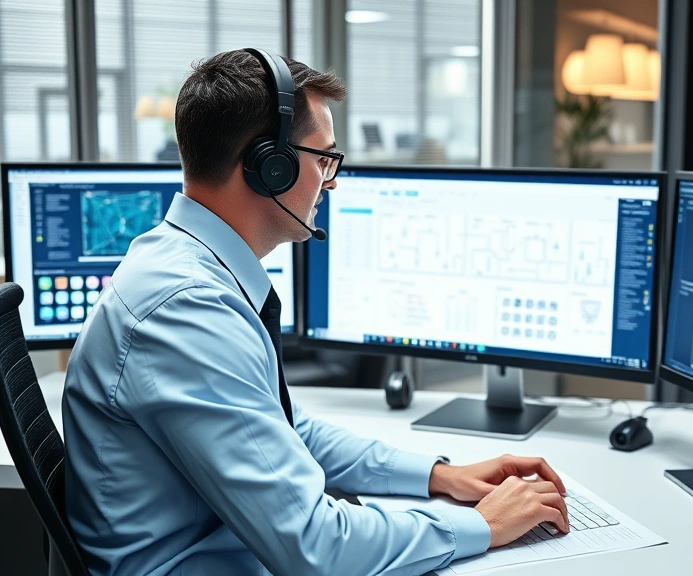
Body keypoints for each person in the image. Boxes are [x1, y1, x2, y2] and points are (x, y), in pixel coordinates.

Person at [61, 49, 569, 576]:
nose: (331, 180)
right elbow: (317, 549)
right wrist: (482, 526)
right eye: (323, 158)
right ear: (268, 166)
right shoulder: (186, 310)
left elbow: (281, 428)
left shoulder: (182, 266)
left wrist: (439, 476)